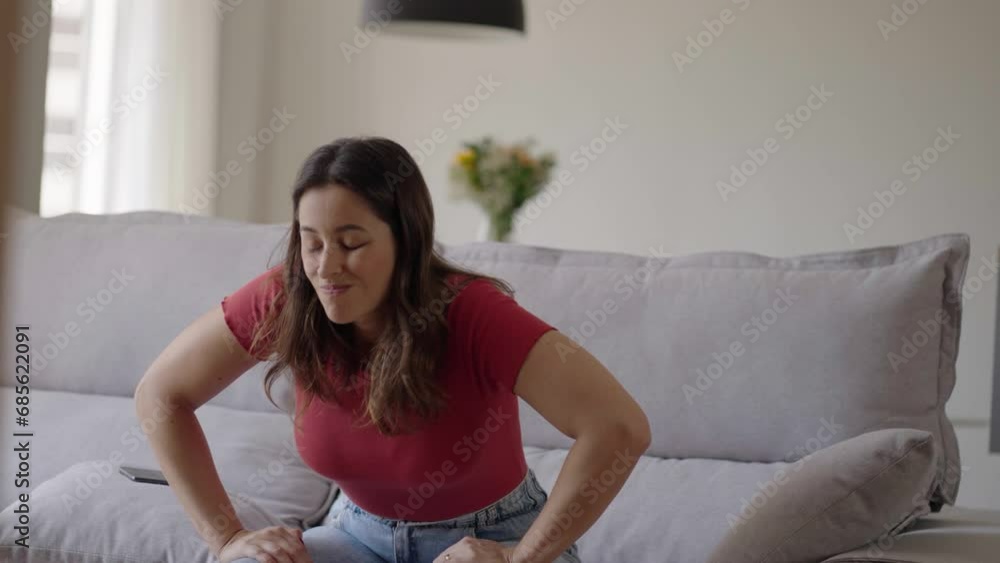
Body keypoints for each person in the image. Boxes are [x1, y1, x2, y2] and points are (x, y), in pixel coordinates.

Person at [134, 136, 651, 563]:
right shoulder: (289, 295)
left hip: (491, 538)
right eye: (312, 242)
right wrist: (227, 537)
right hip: (358, 535)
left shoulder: (471, 312)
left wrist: (518, 558)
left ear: (405, 239)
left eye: (351, 243)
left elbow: (619, 427)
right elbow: (160, 395)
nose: (326, 267)